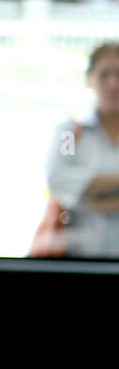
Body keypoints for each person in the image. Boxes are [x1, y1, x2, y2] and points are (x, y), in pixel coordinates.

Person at [40, 40, 119, 258]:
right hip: (80, 255)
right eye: (104, 75)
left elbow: (71, 185)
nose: (113, 84)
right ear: (90, 79)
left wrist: (92, 196)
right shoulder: (71, 133)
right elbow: (58, 177)